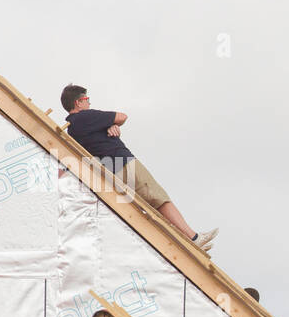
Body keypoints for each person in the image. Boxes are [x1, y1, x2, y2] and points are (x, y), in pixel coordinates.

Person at [60, 84, 217, 252]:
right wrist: (112, 123)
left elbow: (105, 128)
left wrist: (108, 126)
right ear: (78, 102)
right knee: (158, 198)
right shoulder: (86, 116)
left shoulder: (73, 128)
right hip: (123, 162)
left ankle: (182, 242)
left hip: (111, 171)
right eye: (86, 100)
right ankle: (192, 237)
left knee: (149, 210)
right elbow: (121, 116)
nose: (89, 103)